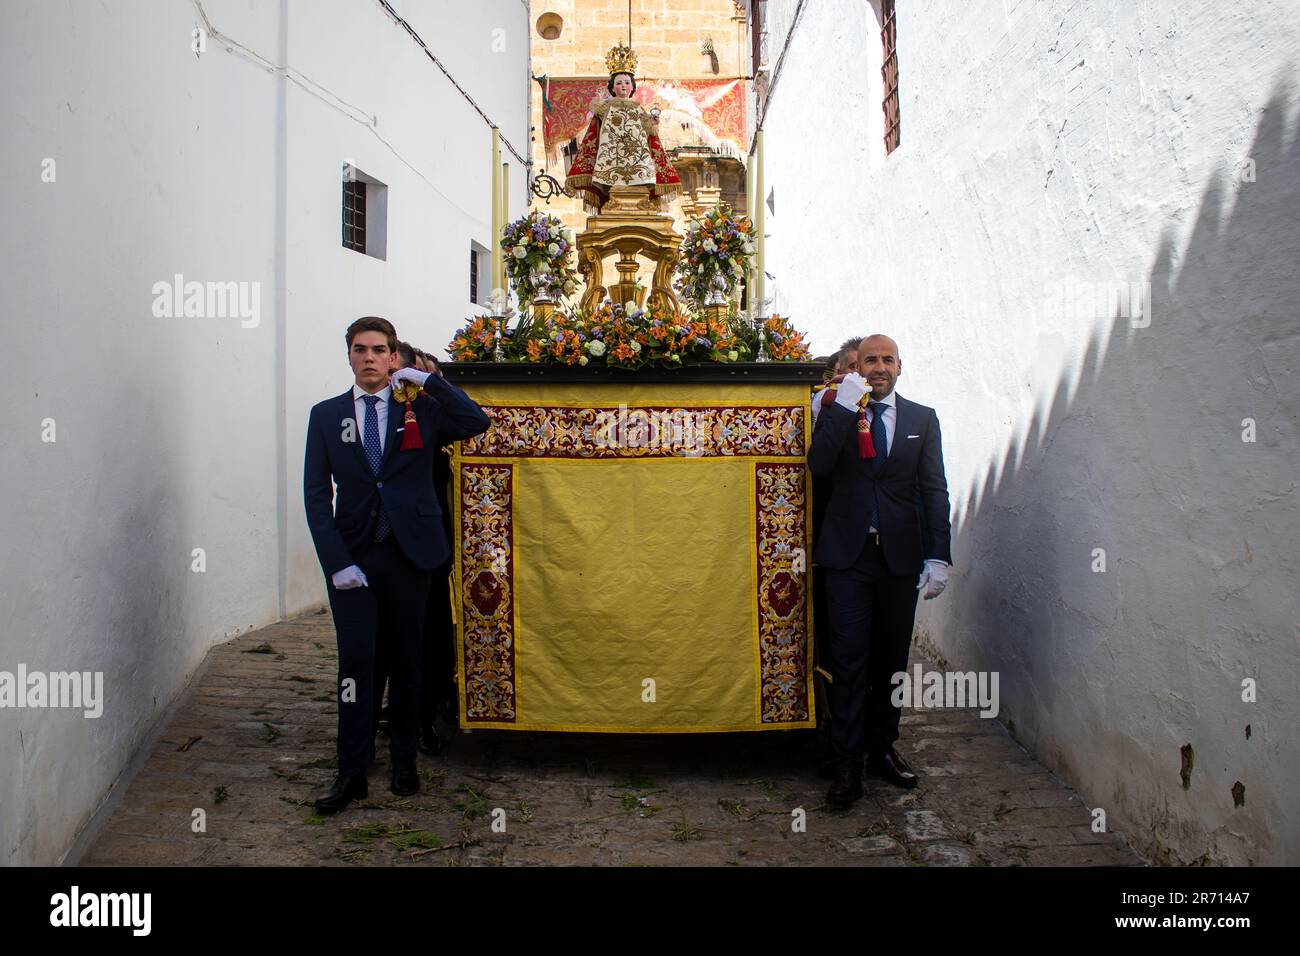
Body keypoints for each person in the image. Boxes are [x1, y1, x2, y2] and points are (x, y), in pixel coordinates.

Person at [303, 317, 489, 813]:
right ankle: (352, 770)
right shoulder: (326, 416)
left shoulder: (421, 410)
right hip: (356, 560)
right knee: (356, 665)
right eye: (360, 349)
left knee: (409, 662)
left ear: (392, 358)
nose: (369, 358)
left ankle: (404, 758)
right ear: (349, 356)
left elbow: (477, 421)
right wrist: (336, 562)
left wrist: (429, 380)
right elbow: (317, 497)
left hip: (411, 555)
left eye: (378, 350)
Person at [808, 334, 952, 808]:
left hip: (898, 559)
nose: (879, 366)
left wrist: (938, 554)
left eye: (887, 359)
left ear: (899, 366)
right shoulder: (839, 409)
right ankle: (847, 766)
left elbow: (933, 491)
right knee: (849, 663)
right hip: (848, 558)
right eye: (870, 359)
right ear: (858, 367)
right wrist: (843, 410)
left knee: (890, 661)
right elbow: (819, 464)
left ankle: (881, 749)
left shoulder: (922, 419)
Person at [563, 43, 681, 211]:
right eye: (619, 83)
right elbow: (593, 137)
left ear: (633, 87)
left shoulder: (639, 109)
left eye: (627, 82)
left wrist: (653, 125)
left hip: (638, 159)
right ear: (612, 87)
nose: (623, 86)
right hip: (611, 157)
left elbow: (650, 137)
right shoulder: (604, 108)